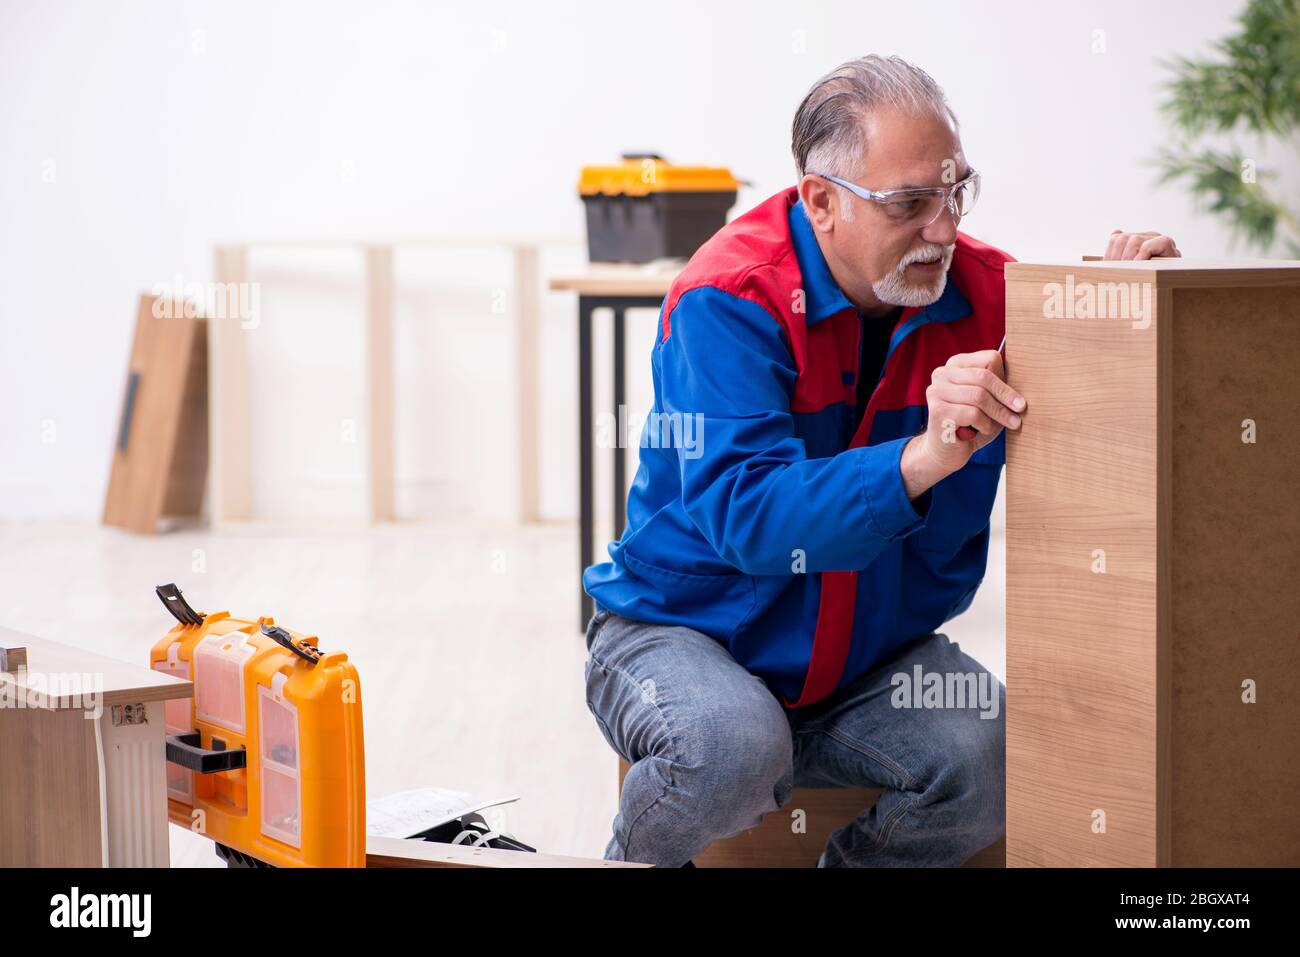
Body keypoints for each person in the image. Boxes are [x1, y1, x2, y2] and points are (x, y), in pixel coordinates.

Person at [582, 54, 1180, 867]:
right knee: (731, 746)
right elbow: (748, 518)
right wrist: (923, 456)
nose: (942, 228)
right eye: (910, 203)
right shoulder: (729, 299)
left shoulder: (985, 292)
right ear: (822, 200)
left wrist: (1130, 304)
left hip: (863, 660)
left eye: (954, 192)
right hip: (684, 637)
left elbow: (1101, 385)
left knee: (990, 762)